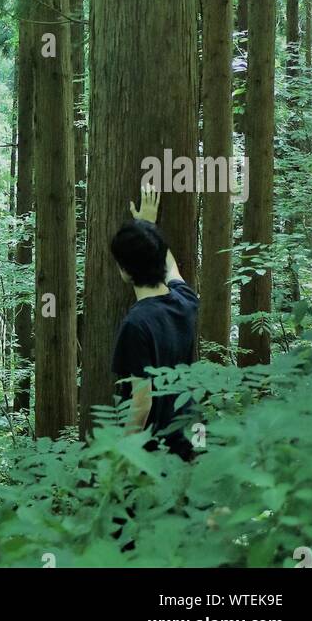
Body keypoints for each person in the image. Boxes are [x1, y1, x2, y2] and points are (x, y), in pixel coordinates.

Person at [110, 188, 199, 460]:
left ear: (124, 270)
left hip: (160, 450)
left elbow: (141, 403)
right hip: (193, 433)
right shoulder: (186, 302)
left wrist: (121, 457)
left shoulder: (136, 324)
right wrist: (148, 227)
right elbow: (172, 269)